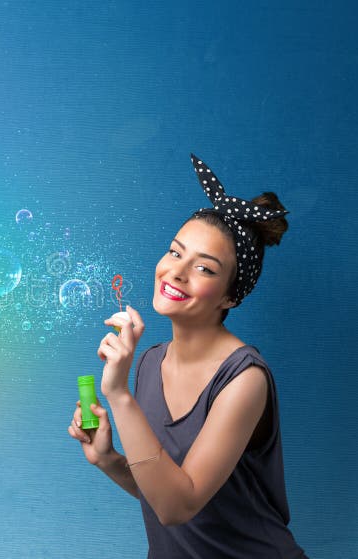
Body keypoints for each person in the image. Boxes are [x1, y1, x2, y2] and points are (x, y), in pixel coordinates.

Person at [69, 154, 308, 558]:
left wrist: (118, 394)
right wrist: (108, 459)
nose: (176, 273)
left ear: (232, 296)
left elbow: (178, 506)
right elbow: (165, 489)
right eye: (176, 253)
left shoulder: (244, 379)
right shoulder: (148, 363)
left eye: (206, 269)